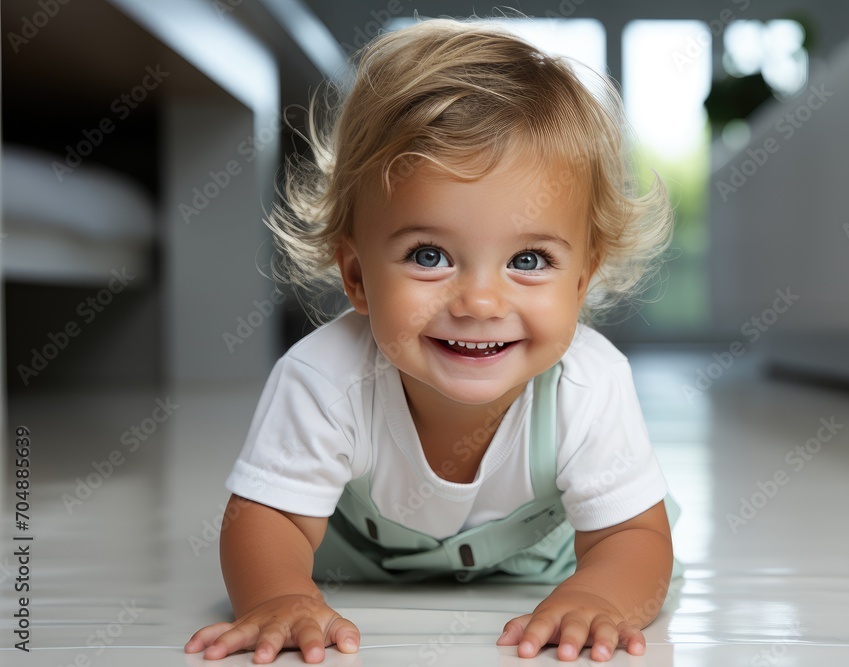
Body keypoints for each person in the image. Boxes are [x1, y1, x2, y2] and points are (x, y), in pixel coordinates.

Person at [185, 16, 680, 664]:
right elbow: (265, 518)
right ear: (357, 276)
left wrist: (599, 595)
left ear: (581, 281)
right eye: (429, 255)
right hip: (357, 565)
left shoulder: (588, 383)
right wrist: (278, 595)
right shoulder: (325, 376)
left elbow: (636, 535)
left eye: (528, 260)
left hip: (545, 564)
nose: (480, 302)